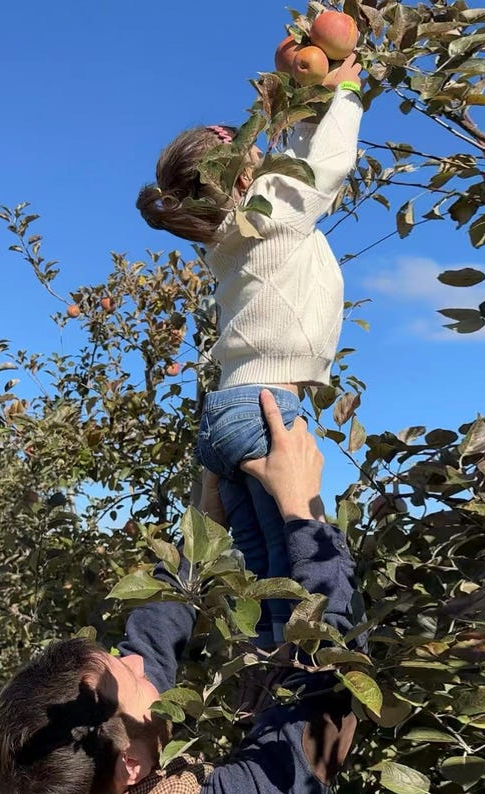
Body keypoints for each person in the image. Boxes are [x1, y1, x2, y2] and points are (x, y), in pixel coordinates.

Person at [0, 390, 365, 794]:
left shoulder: (101, 772)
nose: (136, 663)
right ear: (130, 765)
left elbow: (150, 641)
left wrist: (202, 532)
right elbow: (333, 687)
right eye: (131, 678)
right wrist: (304, 508)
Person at [136, 55, 364, 646]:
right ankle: (305, 670)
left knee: (265, 573)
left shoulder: (229, 236)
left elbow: (298, 169)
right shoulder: (269, 216)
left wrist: (308, 102)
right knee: (296, 563)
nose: (266, 159)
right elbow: (326, 166)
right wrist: (346, 92)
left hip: (227, 415)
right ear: (242, 181)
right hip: (265, 410)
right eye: (255, 157)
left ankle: (268, 669)